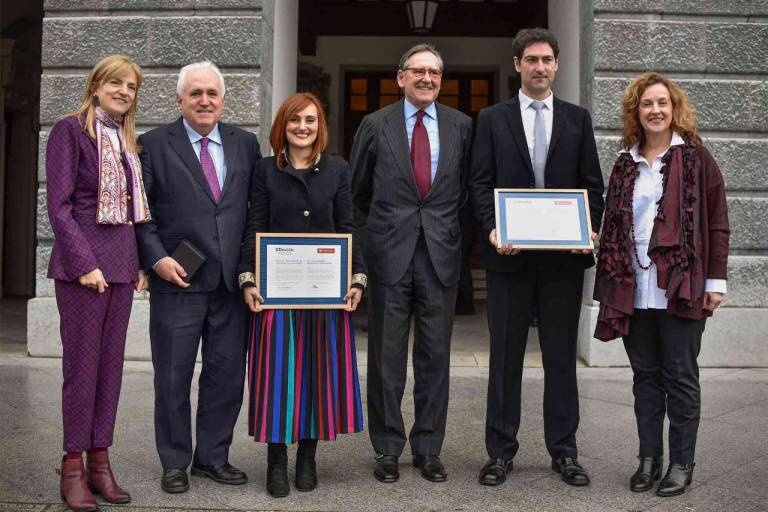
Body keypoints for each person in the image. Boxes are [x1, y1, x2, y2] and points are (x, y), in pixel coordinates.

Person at [470, 28, 604, 487]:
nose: (540, 67)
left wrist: (587, 229)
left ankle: (564, 451)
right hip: (509, 259)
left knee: (561, 358)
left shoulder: (577, 119)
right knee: (504, 359)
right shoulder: (490, 118)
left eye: (547, 59)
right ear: (517, 64)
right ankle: (500, 453)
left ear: (557, 65)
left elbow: (592, 185)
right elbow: (479, 184)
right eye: (531, 60)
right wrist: (492, 229)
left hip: (563, 263)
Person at [593, 72, 729, 497]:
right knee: (645, 377)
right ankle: (648, 460)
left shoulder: (697, 158)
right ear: (636, 111)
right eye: (646, 104)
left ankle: (680, 464)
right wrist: (594, 236)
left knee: (681, 377)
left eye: (662, 103)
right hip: (633, 287)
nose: (655, 110)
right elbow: (614, 221)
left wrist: (715, 280)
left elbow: (718, 223)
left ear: (674, 110)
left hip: (681, 286)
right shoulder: (623, 162)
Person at [135, 61, 262, 494]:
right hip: (178, 282)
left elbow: (252, 214)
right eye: (196, 94)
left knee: (226, 377)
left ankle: (212, 457)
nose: (205, 100)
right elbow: (142, 214)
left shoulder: (245, 144)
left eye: (212, 93)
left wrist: (250, 272)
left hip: (230, 285)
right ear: (179, 100)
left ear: (223, 99)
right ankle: (174, 461)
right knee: (172, 376)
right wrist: (156, 261)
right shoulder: (151, 145)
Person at [351, 43, 473, 484]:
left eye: (434, 73)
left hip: (441, 257)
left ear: (441, 80)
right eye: (418, 71)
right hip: (390, 257)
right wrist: (371, 246)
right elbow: (357, 195)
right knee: (385, 357)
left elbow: (464, 192)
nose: (427, 78)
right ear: (400, 77)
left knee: (435, 357)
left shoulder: (462, 126)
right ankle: (387, 448)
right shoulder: (375, 124)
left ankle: (427, 448)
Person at [237, 92, 366, 498]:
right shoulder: (264, 171)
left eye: (310, 120)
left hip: (325, 293)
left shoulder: (337, 170)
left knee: (316, 376)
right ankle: (277, 460)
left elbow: (348, 224)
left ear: (319, 127)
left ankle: (307, 457)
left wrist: (358, 277)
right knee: (277, 378)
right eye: (295, 120)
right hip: (277, 292)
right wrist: (247, 277)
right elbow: (254, 223)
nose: (303, 127)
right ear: (283, 126)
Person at [46, 54, 149, 511]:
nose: (124, 91)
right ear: (96, 84)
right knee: (82, 370)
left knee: (110, 371)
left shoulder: (127, 141)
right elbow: (60, 205)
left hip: (123, 266)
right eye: (116, 83)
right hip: (82, 268)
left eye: (131, 86)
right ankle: (72, 465)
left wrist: (139, 263)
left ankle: (100, 462)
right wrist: (85, 263)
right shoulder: (71, 130)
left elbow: (132, 211)